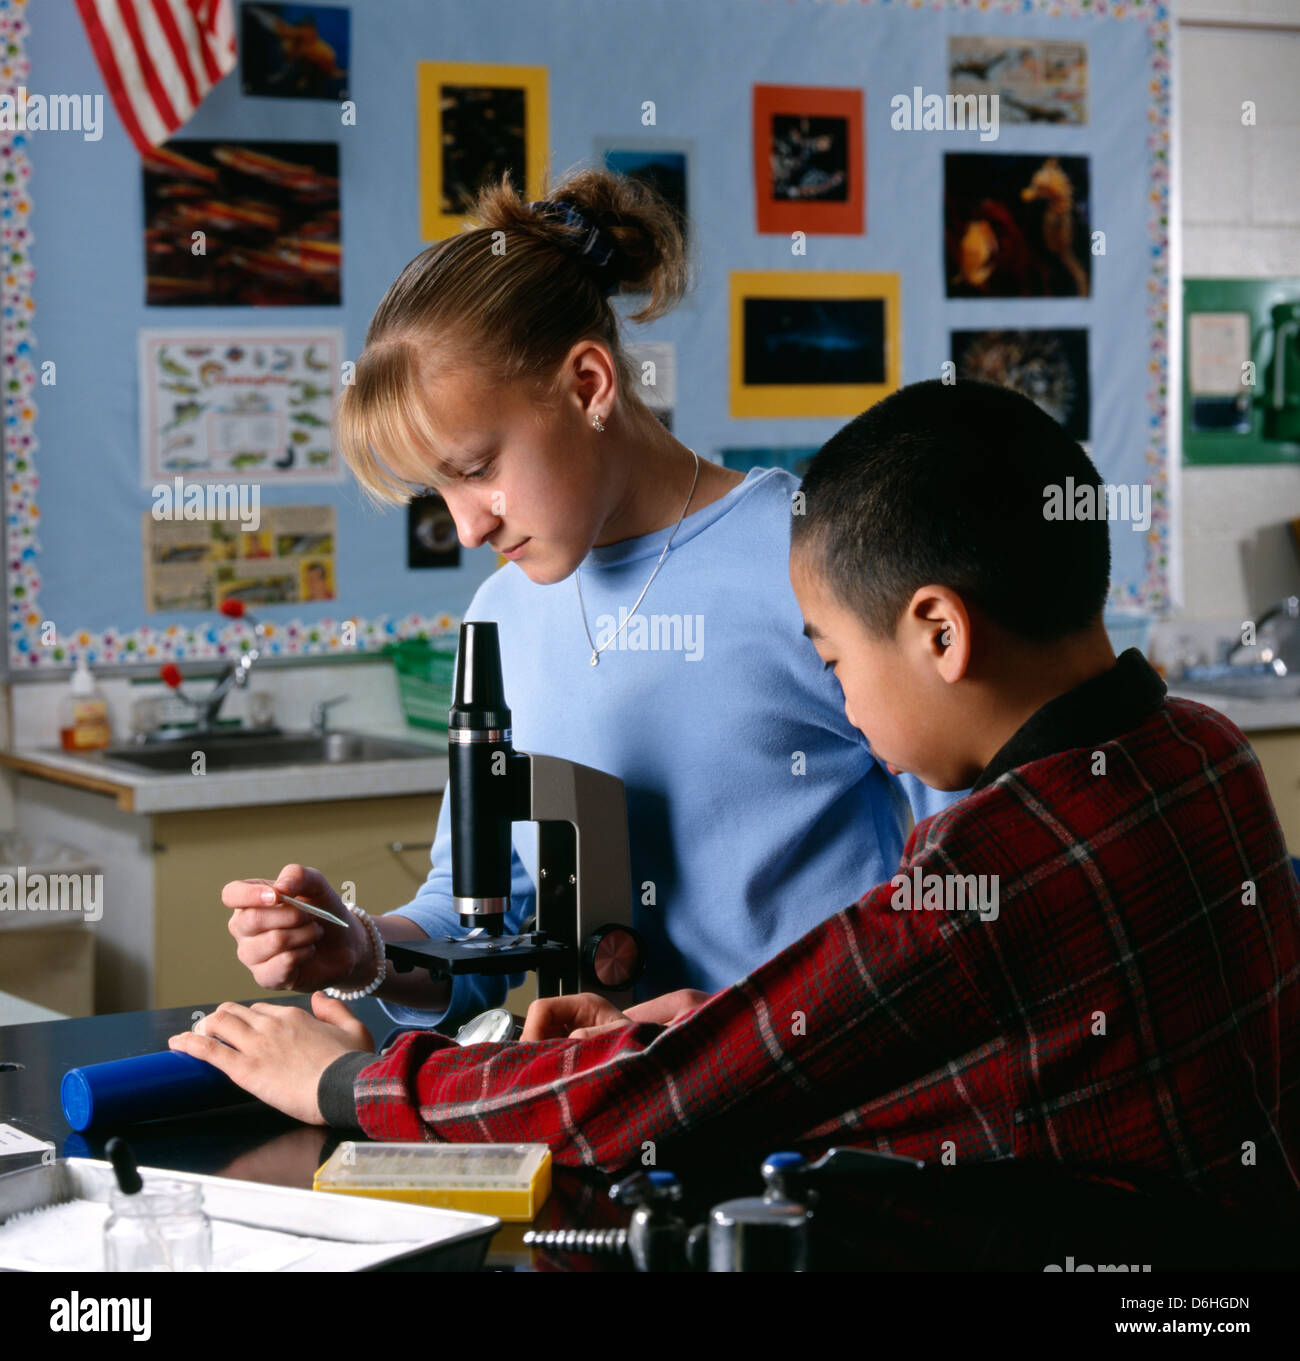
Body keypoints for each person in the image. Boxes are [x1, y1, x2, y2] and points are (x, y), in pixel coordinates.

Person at [173, 379, 1300, 1208]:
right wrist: (687, 1021)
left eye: (833, 656)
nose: (844, 705)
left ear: (940, 631)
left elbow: (638, 1107)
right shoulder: (1201, 748)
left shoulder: (987, 873)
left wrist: (346, 1080)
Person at [218, 166, 959, 1035]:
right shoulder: (499, 616)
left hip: (820, 1102)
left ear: (588, 385)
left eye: (479, 470)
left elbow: (958, 879)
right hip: (615, 1117)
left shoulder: (814, 555)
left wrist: (737, 1026)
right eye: (437, 494)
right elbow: (471, 927)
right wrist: (365, 952)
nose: (465, 529)